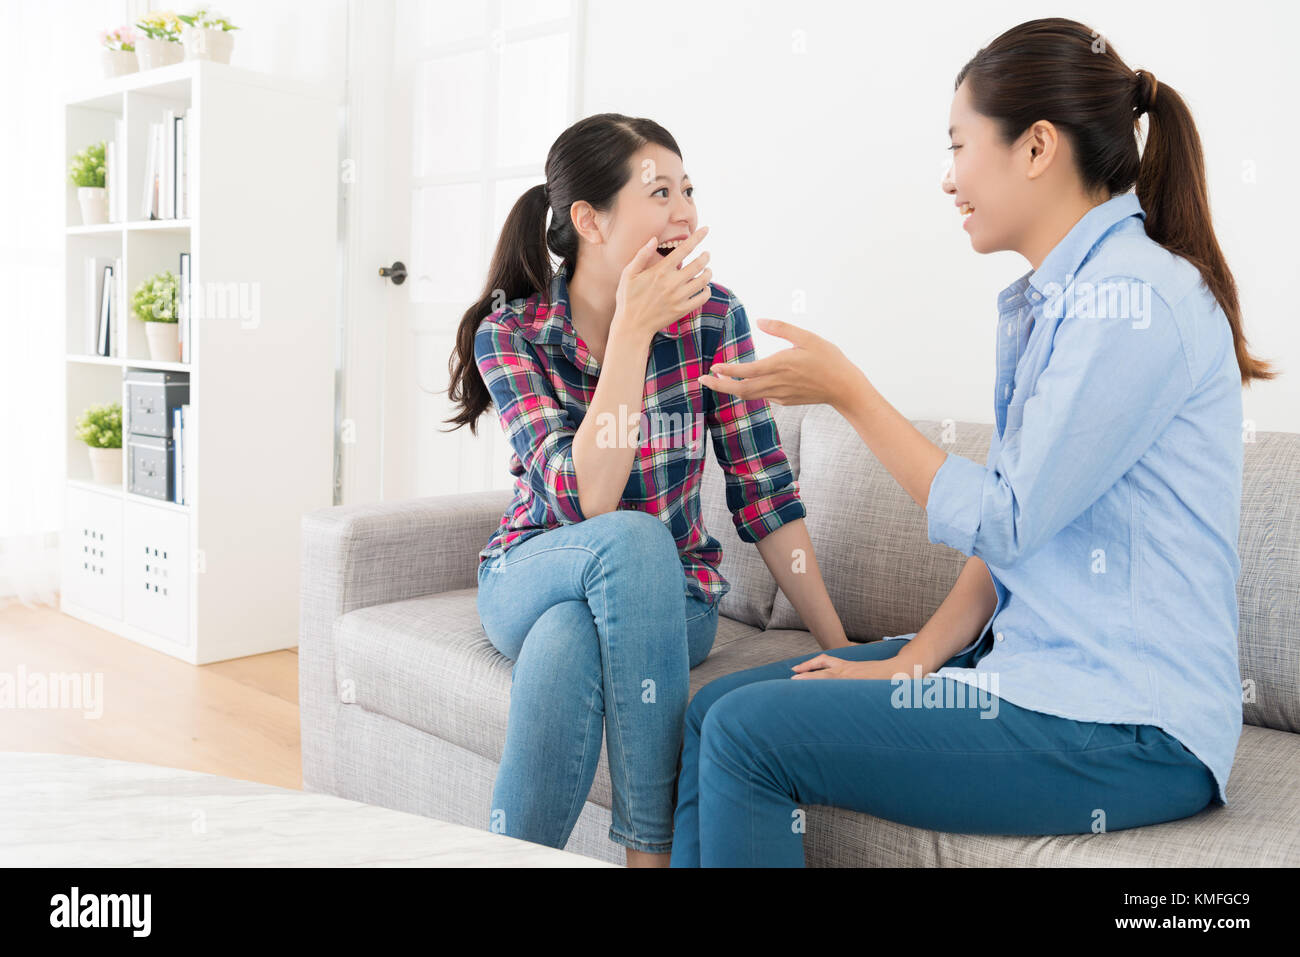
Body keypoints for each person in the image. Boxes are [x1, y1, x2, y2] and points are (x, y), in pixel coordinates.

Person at [674, 17, 1275, 867]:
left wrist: (849, 392)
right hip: (1037, 671)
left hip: (1129, 725)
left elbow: (1008, 519)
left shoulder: (1133, 302)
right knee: (709, 708)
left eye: (959, 146)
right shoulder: (1063, 299)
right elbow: (1019, 539)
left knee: (746, 734)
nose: (949, 179)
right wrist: (914, 659)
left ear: (1036, 147)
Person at [445, 113, 848, 867]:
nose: (686, 213)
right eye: (660, 192)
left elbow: (764, 492)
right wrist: (631, 333)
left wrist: (843, 649)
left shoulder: (714, 317)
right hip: (530, 570)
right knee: (629, 534)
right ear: (589, 221)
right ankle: (651, 858)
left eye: (687, 189)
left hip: (675, 601)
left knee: (570, 637)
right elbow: (587, 499)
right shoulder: (513, 334)